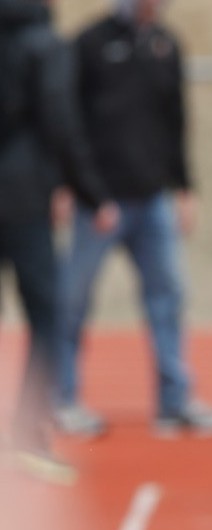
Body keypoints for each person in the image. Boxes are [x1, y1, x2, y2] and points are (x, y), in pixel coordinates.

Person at [53, 0, 212, 439]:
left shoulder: (166, 44)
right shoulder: (89, 44)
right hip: (97, 203)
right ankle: (61, 400)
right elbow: (66, 122)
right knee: (71, 302)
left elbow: (174, 122)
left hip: (153, 201)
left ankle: (173, 405)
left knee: (168, 296)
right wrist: (75, 188)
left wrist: (184, 187)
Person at [0, 0, 118, 482]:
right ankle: (26, 437)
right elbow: (60, 120)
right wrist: (91, 192)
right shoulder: (44, 43)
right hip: (24, 200)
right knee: (47, 319)